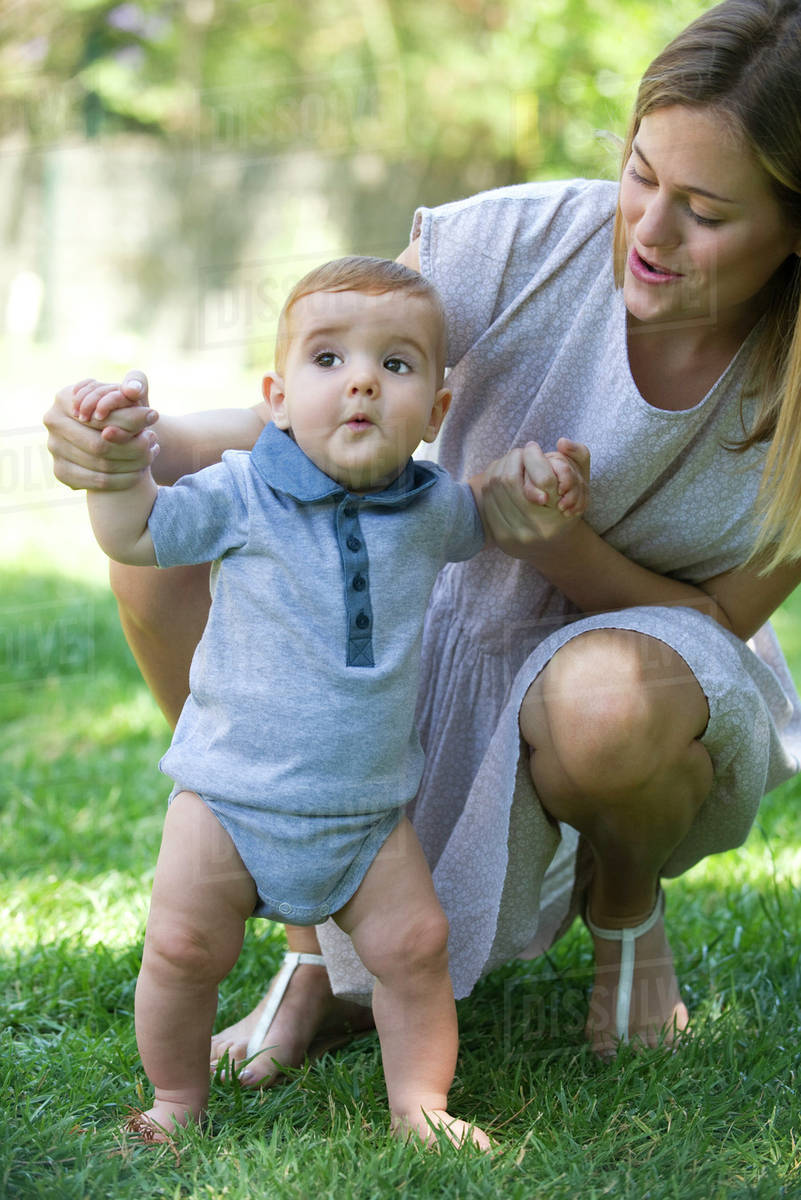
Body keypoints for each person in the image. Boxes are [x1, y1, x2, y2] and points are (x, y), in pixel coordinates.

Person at [45, 0, 801, 1081]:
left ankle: (624, 905)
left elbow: (725, 623)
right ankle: (308, 938)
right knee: (154, 564)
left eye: (706, 211)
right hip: (426, 619)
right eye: (641, 175)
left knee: (605, 706)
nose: (647, 231)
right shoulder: (519, 240)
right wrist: (135, 443)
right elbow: (313, 415)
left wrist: (556, 548)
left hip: (647, 679)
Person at [67, 256, 586, 1145]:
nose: (360, 383)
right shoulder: (240, 493)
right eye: (327, 360)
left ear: (436, 411)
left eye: (395, 365)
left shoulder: (431, 510)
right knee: (185, 950)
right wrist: (118, 474)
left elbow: (498, 517)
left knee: (417, 950)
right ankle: (174, 1101)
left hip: (367, 817)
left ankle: (420, 1106)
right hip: (228, 801)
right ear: (275, 396)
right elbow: (141, 533)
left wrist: (540, 489)